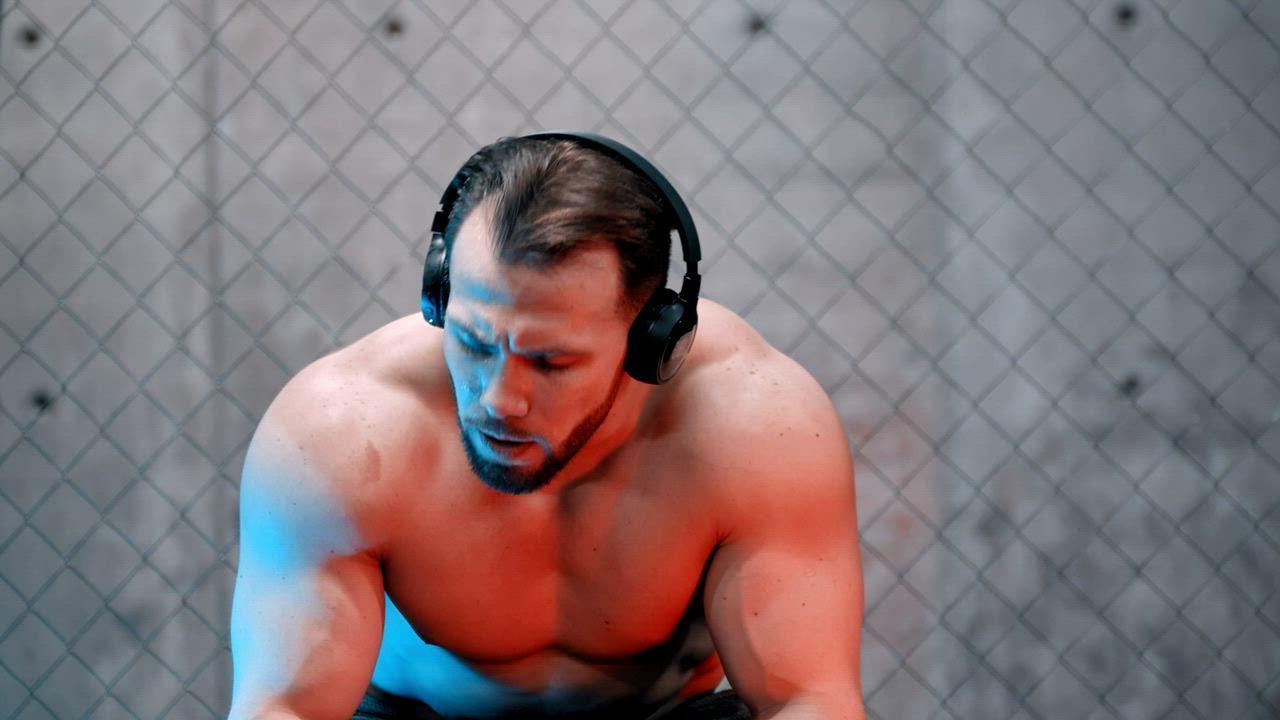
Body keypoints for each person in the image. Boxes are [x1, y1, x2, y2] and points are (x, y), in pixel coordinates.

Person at [227, 133, 865, 720]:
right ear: (441, 297)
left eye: (551, 361)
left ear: (650, 341)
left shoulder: (756, 426)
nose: (500, 399)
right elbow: (287, 709)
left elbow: (804, 701)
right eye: (473, 342)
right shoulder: (342, 430)